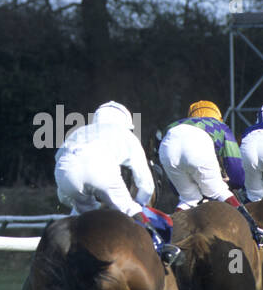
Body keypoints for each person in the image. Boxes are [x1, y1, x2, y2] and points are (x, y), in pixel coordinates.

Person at [55, 101, 181, 266]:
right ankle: (163, 249)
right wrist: (139, 207)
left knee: (84, 218)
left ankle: (60, 258)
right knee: (130, 209)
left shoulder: (78, 132)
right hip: (100, 173)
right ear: (126, 122)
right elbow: (146, 184)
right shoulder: (127, 135)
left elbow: (61, 178)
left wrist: (71, 199)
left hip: (65, 172)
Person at [158, 100, 263, 246]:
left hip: (167, 146)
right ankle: (255, 230)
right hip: (195, 145)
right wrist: (233, 183)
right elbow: (235, 166)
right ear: (217, 116)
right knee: (219, 191)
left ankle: (167, 239)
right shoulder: (220, 126)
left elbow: (174, 186)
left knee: (188, 198)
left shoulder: (176, 124)